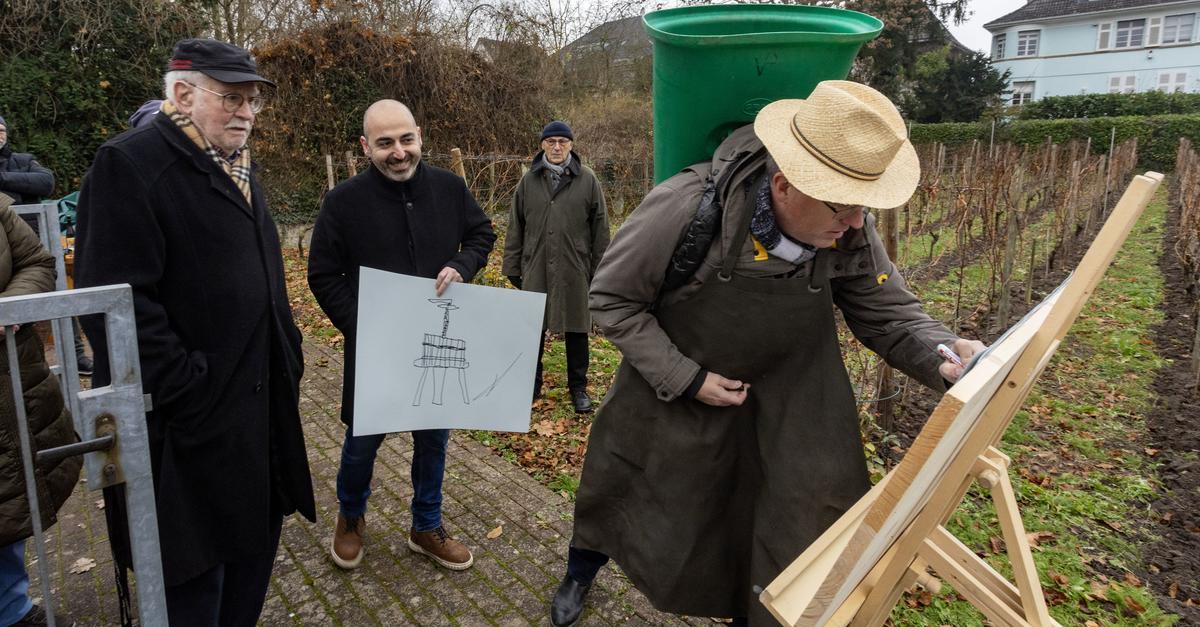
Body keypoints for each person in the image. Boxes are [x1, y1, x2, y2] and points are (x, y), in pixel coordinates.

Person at [548, 80, 987, 627]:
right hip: (674, 387)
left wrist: (944, 353)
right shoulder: (688, 207)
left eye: (863, 208)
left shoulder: (847, 230)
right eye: (843, 206)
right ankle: (579, 572)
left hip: (786, 397)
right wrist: (685, 377)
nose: (856, 224)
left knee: (788, 517)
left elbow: (889, 312)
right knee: (624, 487)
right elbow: (611, 298)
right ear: (783, 185)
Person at [73, 39, 315, 625]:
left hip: (257, 419)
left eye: (253, 100)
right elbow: (114, 305)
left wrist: (289, 350)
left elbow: (261, 275)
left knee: (250, 570)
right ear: (182, 93)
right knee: (195, 587)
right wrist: (190, 385)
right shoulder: (130, 163)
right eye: (232, 98)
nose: (247, 113)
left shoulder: (236, 164)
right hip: (187, 433)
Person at [307, 99, 496, 573]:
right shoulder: (343, 201)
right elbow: (323, 274)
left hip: (437, 342)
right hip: (376, 351)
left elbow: (481, 235)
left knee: (433, 441)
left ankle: (425, 526)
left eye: (405, 139)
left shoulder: (451, 189)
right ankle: (350, 518)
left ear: (419, 136)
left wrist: (461, 264)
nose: (398, 151)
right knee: (361, 444)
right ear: (365, 146)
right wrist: (364, 326)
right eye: (385, 142)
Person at [0, 194, 82, 627]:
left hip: (7, 377)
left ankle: (10, 609)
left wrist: (7, 308)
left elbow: (36, 261)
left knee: (8, 495)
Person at [503, 121, 609, 413]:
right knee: (533, 328)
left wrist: (600, 269)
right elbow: (516, 225)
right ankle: (531, 385)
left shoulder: (587, 180)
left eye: (563, 141)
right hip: (535, 263)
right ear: (543, 146)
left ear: (572, 145)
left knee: (577, 328)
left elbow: (601, 228)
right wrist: (513, 265)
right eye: (552, 142)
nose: (558, 147)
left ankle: (578, 388)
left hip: (575, 265)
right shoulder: (529, 181)